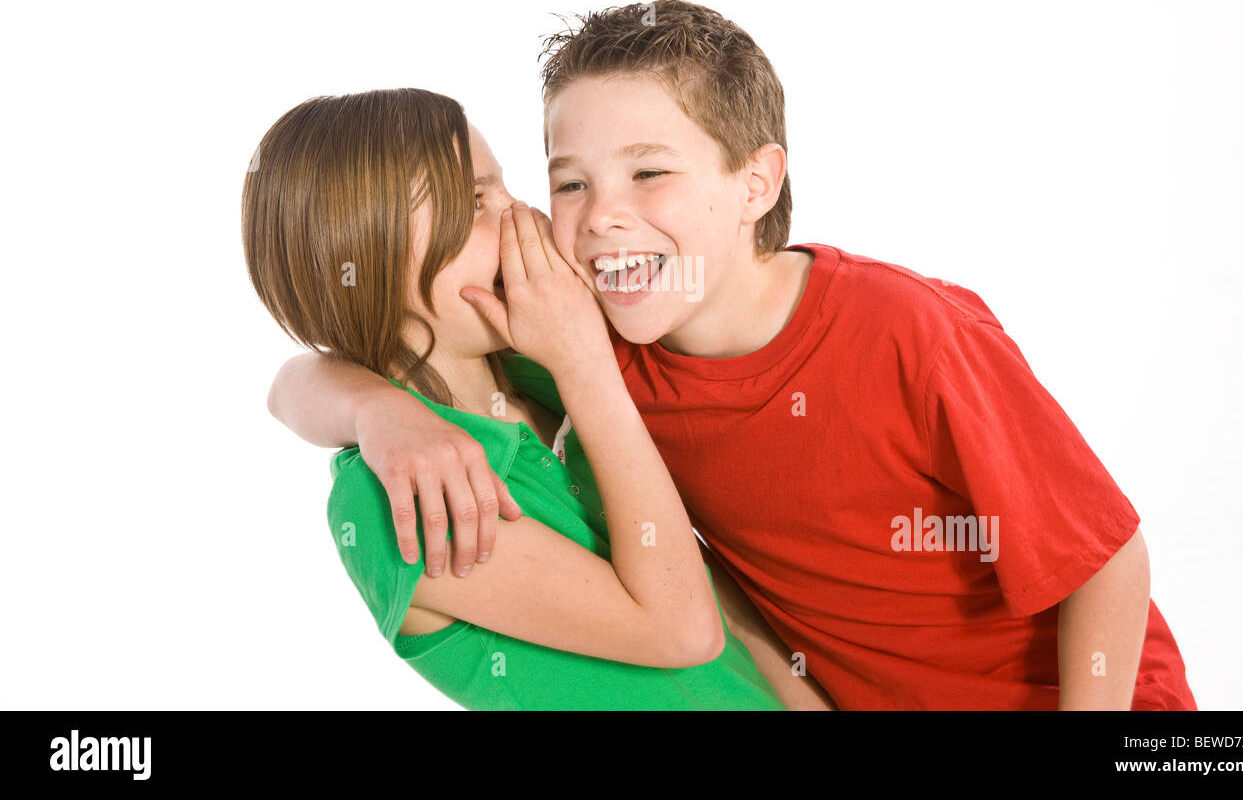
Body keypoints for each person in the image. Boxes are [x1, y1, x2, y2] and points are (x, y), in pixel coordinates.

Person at [267, 1, 1197, 710]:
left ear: (756, 181)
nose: (556, 217)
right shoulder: (586, 355)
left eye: (649, 170)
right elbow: (306, 370)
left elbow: (1106, 559)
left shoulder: (901, 330)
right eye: (566, 183)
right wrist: (370, 408)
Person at [242, 87, 831, 709]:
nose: (526, 217)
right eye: (476, 201)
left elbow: (712, 587)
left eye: (506, 188)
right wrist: (587, 371)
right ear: (362, 251)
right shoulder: (400, 495)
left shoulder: (538, 380)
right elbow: (682, 629)